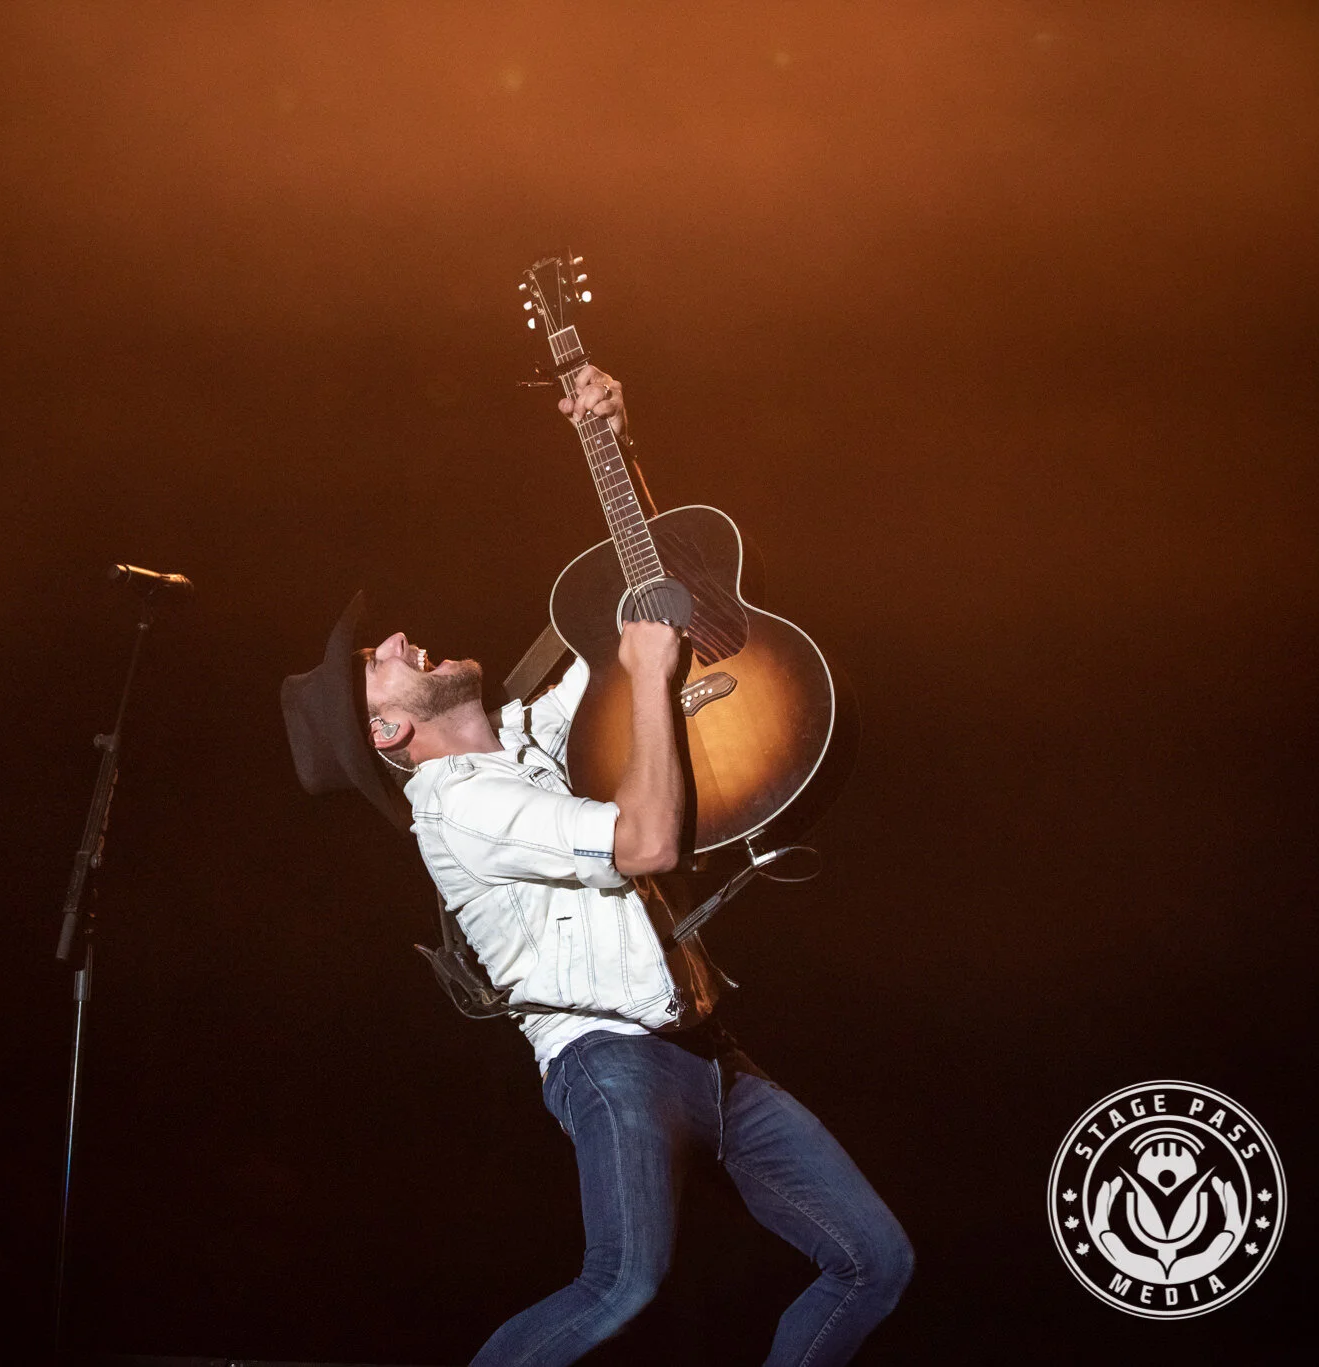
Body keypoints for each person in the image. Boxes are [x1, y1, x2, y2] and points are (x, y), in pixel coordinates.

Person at [280, 367, 911, 1367]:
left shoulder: (532, 731)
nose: (399, 637)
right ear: (392, 728)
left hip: (705, 1051)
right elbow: (649, 840)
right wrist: (651, 679)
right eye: (376, 660)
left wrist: (616, 445)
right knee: (621, 1279)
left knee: (872, 1259)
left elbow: (653, 611)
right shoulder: (456, 804)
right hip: (606, 1057)